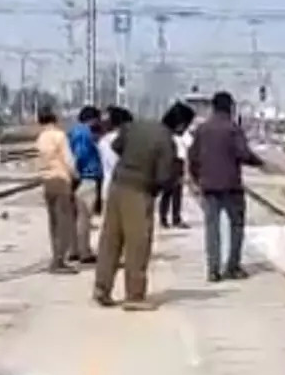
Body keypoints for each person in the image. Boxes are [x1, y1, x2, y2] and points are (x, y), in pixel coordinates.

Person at [93, 102, 195, 310]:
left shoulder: (136, 126)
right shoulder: (166, 140)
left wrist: (132, 161)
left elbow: (116, 146)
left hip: (116, 187)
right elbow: (164, 176)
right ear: (180, 124)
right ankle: (135, 296)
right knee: (137, 243)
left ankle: (101, 288)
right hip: (139, 192)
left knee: (110, 240)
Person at [189, 91, 263, 282]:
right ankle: (232, 267)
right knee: (236, 226)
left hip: (209, 187)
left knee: (212, 228)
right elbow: (244, 154)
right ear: (230, 107)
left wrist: (197, 179)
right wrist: (259, 162)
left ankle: (213, 270)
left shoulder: (202, 129)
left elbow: (193, 157)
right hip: (232, 186)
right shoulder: (233, 129)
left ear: (213, 107)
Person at [35, 106, 78, 274]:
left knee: (53, 222)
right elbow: (68, 159)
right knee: (64, 222)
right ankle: (60, 261)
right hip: (61, 179)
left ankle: (56, 256)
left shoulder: (40, 138)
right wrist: (75, 173)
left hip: (47, 181)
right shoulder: (59, 136)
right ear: (54, 119)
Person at [68, 105, 102, 263]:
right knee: (84, 217)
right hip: (87, 177)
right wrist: (76, 173)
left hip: (78, 178)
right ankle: (84, 252)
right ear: (93, 119)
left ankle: (74, 249)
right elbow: (79, 155)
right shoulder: (84, 134)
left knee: (75, 217)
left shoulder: (74, 131)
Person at [159, 126, 193, 228]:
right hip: (175, 163)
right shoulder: (181, 133)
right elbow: (190, 144)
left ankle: (166, 218)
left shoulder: (167, 133)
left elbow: (190, 143)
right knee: (173, 193)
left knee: (169, 193)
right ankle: (173, 218)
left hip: (171, 163)